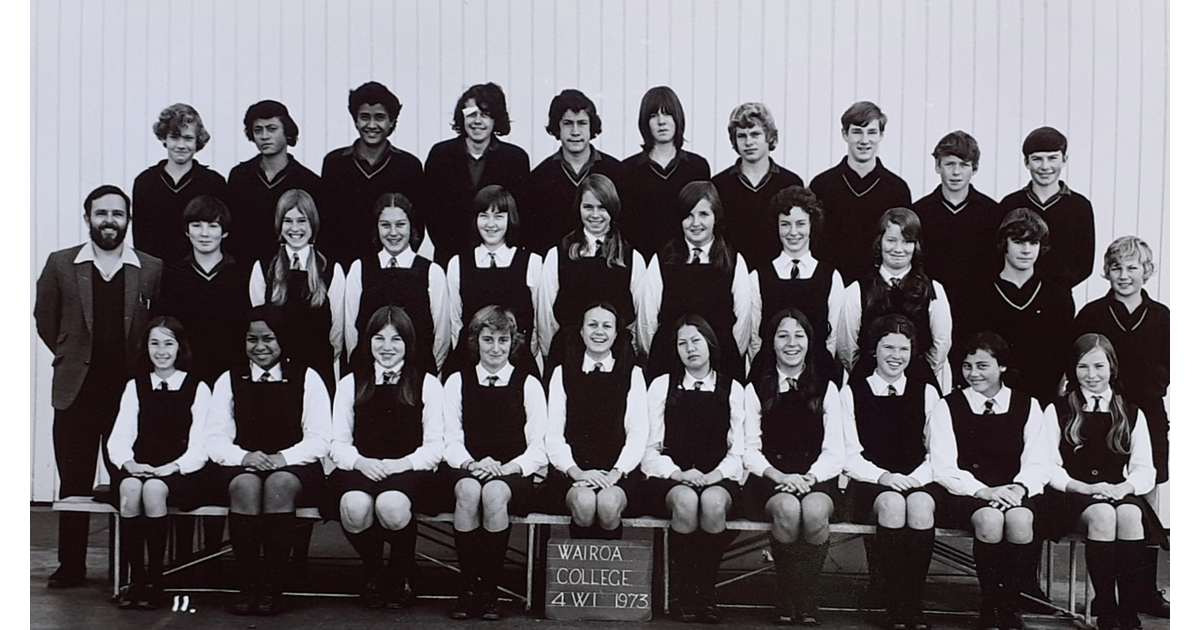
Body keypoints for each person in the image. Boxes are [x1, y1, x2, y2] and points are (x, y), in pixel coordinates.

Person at [35, 184, 163, 588]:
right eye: (102, 213)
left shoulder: (150, 268)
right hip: (76, 393)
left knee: (126, 482)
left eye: (117, 214)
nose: (110, 220)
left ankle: (128, 567)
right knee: (74, 483)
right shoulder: (61, 264)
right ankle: (71, 565)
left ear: (128, 220)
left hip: (127, 397)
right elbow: (45, 318)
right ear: (88, 217)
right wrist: (70, 354)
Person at [205, 306, 332, 616]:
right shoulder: (229, 379)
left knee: (279, 484)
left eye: (268, 339)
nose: (260, 347)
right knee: (245, 486)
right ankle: (248, 585)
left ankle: (274, 587)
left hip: (295, 466)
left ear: (282, 339)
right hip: (244, 464)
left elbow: (320, 438)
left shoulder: (307, 377)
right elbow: (215, 438)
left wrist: (282, 458)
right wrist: (244, 457)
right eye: (252, 340)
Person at [1074, 237, 1170, 618]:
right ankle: (1106, 596)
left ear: (1148, 271)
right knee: (1105, 506)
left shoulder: (1162, 316)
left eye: (1133, 268)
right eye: (1117, 268)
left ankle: (1143, 592)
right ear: (1107, 272)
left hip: (1147, 416)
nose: (1124, 275)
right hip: (1101, 416)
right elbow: (1077, 365)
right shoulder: (1092, 314)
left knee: (1143, 506)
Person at [929, 332, 1050, 630]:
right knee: (990, 520)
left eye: (982, 366)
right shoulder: (948, 406)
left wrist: (1019, 488)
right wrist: (983, 491)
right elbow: (943, 466)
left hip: (1014, 491)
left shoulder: (1027, 405)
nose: (974, 373)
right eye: (967, 366)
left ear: (1002, 366)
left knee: (1020, 520)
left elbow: (1039, 460)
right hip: (966, 493)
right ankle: (990, 604)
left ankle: (1009, 606)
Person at [1043, 334, 1164, 630]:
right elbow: (1046, 466)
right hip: (1073, 494)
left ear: (1112, 367)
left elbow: (1144, 470)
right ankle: (1107, 608)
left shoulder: (1131, 412)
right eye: (1083, 367)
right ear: (1073, 369)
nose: (1091, 375)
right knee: (1103, 515)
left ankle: (1129, 610)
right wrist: (1083, 488)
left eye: (1099, 366)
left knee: (1130, 514)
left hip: (1115, 491)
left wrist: (1124, 488)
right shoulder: (1058, 409)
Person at [330, 306, 444, 609]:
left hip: (408, 470)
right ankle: (374, 572)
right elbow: (338, 443)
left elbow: (435, 447)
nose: (387, 347)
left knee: (391, 505)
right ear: (368, 341)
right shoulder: (351, 383)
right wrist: (361, 463)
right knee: (354, 507)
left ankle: (400, 571)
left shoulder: (427, 383)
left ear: (408, 342)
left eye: (396, 339)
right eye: (379, 338)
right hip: (363, 467)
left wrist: (400, 465)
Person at [441, 306, 548, 621]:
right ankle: (467, 587)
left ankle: (489, 590)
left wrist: (508, 468)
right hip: (466, 467)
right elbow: (450, 438)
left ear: (513, 342)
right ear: (476, 341)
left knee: (494, 493)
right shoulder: (457, 381)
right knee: (468, 492)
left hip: (511, 472)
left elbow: (539, 445)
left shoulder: (528, 383)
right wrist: (472, 464)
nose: (495, 348)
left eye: (503, 340)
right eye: (488, 339)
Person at [743, 309, 843, 626]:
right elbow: (749, 449)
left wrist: (809, 478)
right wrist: (780, 476)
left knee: (814, 511)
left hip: (816, 477)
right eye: (783, 335)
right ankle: (787, 595)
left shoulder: (827, 388)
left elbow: (835, 450)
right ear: (771, 342)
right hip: (770, 479)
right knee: (787, 509)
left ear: (809, 342)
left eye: (799, 336)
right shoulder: (755, 388)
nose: (791, 343)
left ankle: (806, 596)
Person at [840, 315, 941, 630]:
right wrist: (884, 478)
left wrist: (915, 480)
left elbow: (937, 451)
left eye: (903, 348)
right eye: (888, 347)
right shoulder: (853, 392)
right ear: (874, 349)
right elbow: (848, 454)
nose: (896, 356)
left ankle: (913, 602)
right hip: (870, 483)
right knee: (892, 503)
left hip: (917, 480)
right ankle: (892, 602)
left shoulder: (926, 392)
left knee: (920, 505)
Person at [642, 315, 744, 623]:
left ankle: (707, 593)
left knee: (712, 503)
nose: (690, 349)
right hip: (672, 478)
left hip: (718, 477)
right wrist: (678, 474)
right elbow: (650, 448)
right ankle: (684, 593)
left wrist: (714, 476)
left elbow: (738, 450)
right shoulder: (662, 386)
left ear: (710, 344)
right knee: (686, 501)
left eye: (696, 341)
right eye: (682, 343)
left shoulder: (732, 388)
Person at [106, 316, 212, 610]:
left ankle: (155, 580)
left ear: (180, 348)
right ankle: (135, 579)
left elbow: (201, 445)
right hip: (141, 468)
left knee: (153, 489)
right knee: (130, 488)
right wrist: (129, 464)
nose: (161, 351)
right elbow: (120, 437)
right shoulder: (135, 386)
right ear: (146, 347)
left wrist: (172, 468)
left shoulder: (198, 387)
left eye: (168, 343)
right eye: (154, 343)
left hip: (181, 472)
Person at [544, 302, 648, 538]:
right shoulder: (562, 372)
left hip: (619, 474)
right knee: (584, 503)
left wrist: (614, 474)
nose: (599, 331)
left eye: (606, 326)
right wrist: (577, 472)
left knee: (608, 505)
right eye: (592, 325)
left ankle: (610, 560)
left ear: (616, 333)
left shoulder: (633, 374)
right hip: (572, 473)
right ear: (581, 331)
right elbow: (553, 434)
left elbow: (637, 433)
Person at [637, 182, 753, 382]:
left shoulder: (733, 261)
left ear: (716, 216)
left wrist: (724, 356)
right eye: (688, 215)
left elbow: (742, 323)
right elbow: (647, 322)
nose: (695, 223)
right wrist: (663, 354)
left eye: (703, 214)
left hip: (721, 365)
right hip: (669, 364)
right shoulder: (662, 260)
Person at [960, 208, 1074, 405]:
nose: (1026, 250)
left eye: (1034, 242)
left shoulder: (1057, 297)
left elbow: (1063, 353)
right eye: (1019, 242)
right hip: (989, 399)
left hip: (1042, 398)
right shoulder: (978, 295)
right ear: (1004, 243)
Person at [536, 173, 645, 371]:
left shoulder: (631, 256)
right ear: (578, 208)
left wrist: (632, 351)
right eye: (588, 207)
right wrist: (550, 350)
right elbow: (546, 313)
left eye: (602, 207)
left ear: (613, 208)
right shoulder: (558, 254)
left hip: (616, 355)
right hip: (568, 352)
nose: (595, 215)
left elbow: (640, 314)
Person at [835, 207, 951, 392]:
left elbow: (941, 345)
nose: (898, 249)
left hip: (917, 384)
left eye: (907, 242)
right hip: (868, 384)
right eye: (891, 240)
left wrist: (918, 373)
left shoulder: (933, 290)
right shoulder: (856, 290)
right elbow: (846, 347)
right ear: (879, 242)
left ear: (916, 246)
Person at [249, 189, 345, 395]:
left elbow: (337, 332)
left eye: (302, 221)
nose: (295, 228)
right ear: (279, 224)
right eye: (288, 221)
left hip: (318, 370)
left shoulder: (330, 269)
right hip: (279, 373)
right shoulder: (263, 268)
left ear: (313, 224)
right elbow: (259, 327)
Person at [344, 192, 450, 376]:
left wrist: (426, 374)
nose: (393, 233)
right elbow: (351, 332)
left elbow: (441, 335)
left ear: (411, 226)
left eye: (400, 224)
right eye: (385, 225)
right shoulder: (359, 269)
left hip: (417, 375)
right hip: (370, 376)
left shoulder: (432, 272)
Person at [424, 82, 530, 265]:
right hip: (451, 258)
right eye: (471, 114)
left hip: (500, 260)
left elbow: (520, 215)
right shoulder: (440, 155)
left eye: (485, 114)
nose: (477, 121)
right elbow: (431, 212)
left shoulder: (515, 159)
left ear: (496, 119)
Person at [321, 81, 425, 267]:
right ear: (355, 120)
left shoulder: (408, 166)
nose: (371, 125)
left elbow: (416, 226)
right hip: (342, 265)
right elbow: (326, 222)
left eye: (379, 117)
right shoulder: (335, 163)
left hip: (389, 266)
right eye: (364, 117)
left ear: (392, 121)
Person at [808, 101, 911, 284]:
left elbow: (904, 245)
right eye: (857, 132)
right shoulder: (822, 185)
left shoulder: (897, 189)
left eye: (871, 132)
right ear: (844, 134)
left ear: (881, 135)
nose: (864, 140)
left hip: (879, 288)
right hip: (830, 285)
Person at [748, 186, 844, 383]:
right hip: (770, 378)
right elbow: (754, 337)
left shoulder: (830, 276)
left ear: (811, 225)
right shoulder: (758, 276)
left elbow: (833, 337)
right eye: (785, 224)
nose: (793, 232)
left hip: (818, 376)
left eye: (800, 224)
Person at [445, 185, 542, 376]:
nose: (491, 224)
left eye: (498, 216)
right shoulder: (458, 263)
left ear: (510, 218)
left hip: (518, 362)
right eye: (484, 216)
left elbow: (539, 321)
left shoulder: (532, 262)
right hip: (470, 363)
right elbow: (455, 321)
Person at [157, 195, 252, 385]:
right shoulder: (172, 274)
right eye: (197, 225)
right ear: (187, 230)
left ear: (224, 232)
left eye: (213, 226)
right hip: (186, 374)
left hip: (232, 373)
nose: (204, 233)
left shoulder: (242, 273)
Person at [911, 131, 1003, 311]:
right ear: (937, 166)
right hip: (930, 305)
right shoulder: (919, 212)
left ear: (974, 169)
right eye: (949, 164)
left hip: (979, 306)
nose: (956, 172)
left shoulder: (992, 213)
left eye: (964, 165)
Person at [525, 89, 625, 254]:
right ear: (557, 127)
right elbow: (534, 235)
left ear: (591, 126)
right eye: (568, 123)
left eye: (582, 123)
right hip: (557, 264)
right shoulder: (540, 177)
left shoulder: (616, 171)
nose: (575, 131)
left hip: (606, 262)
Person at [997, 126, 1095, 291]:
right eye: (1037, 159)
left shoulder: (1079, 206)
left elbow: (1084, 264)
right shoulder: (1010, 204)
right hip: (1015, 294)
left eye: (1052, 158)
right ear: (1026, 162)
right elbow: (998, 253)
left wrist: (1052, 292)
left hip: (1059, 296)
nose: (1045, 166)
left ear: (1064, 160)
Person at [227, 100, 322, 267]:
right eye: (258, 130)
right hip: (244, 268)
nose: (264, 136)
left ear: (287, 132)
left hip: (289, 269)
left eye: (272, 129)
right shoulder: (240, 176)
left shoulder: (308, 181)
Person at [712, 102, 805, 272]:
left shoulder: (790, 183)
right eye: (741, 136)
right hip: (730, 273)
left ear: (769, 137)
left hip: (777, 275)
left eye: (755, 134)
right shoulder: (719, 184)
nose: (748, 142)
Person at [621, 86, 711, 255]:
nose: (661, 121)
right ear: (645, 123)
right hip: (642, 259)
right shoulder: (628, 169)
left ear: (678, 118)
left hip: (686, 259)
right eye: (653, 116)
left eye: (667, 114)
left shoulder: (697, 166)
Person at [132, 103, 227, 263]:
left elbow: (221, 234)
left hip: (198, 270)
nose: (181, 145)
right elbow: (140, 237)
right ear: (164, 138)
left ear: (197, 141)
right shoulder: (146, 182)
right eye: (174, 137)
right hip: (156, 269)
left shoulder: (213, 182)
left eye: (188, 138)